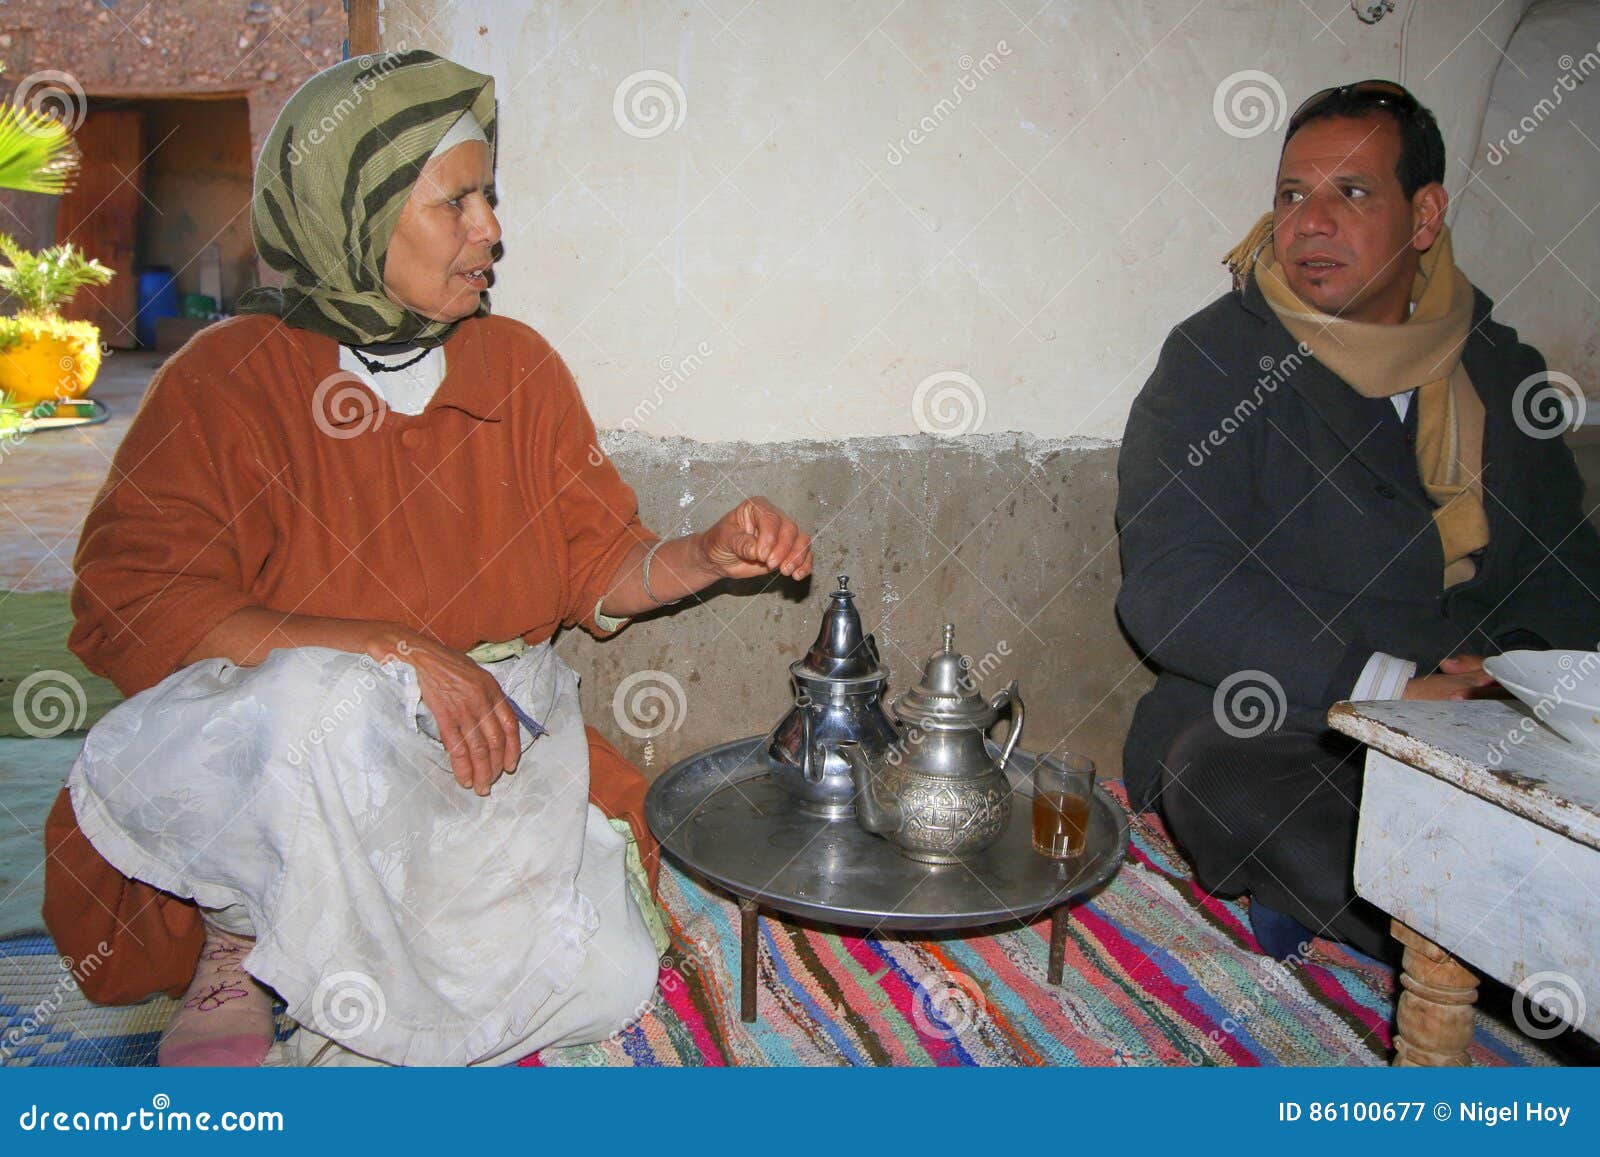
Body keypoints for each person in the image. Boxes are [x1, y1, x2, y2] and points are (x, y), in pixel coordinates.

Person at [41, 51, 813, 1067]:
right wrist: (393, 650)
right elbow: (135, 600)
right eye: (457, 201)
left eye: (487, 197)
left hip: (485, 735)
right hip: (297, 743)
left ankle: (378, 925)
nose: (491, 228)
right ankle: (238, 926)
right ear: (353, 213)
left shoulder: (518, 367)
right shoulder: (228, 379)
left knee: (596, 977)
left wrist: (703, 555)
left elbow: (595, 564)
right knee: (316, 698)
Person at [1116, 80, 1600, 963]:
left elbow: (1571, 566)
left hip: (1486, 717)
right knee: (1222, 772)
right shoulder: (1217, 362)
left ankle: (1501, 921)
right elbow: (1171, 588)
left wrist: (1513, 677)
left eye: (1352, 193)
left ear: (1424, 216)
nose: (1310, 222)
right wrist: (1386, 688)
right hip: (1299, 716)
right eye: (1292, 196)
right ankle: (1499, 950)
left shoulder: (1497, 366)